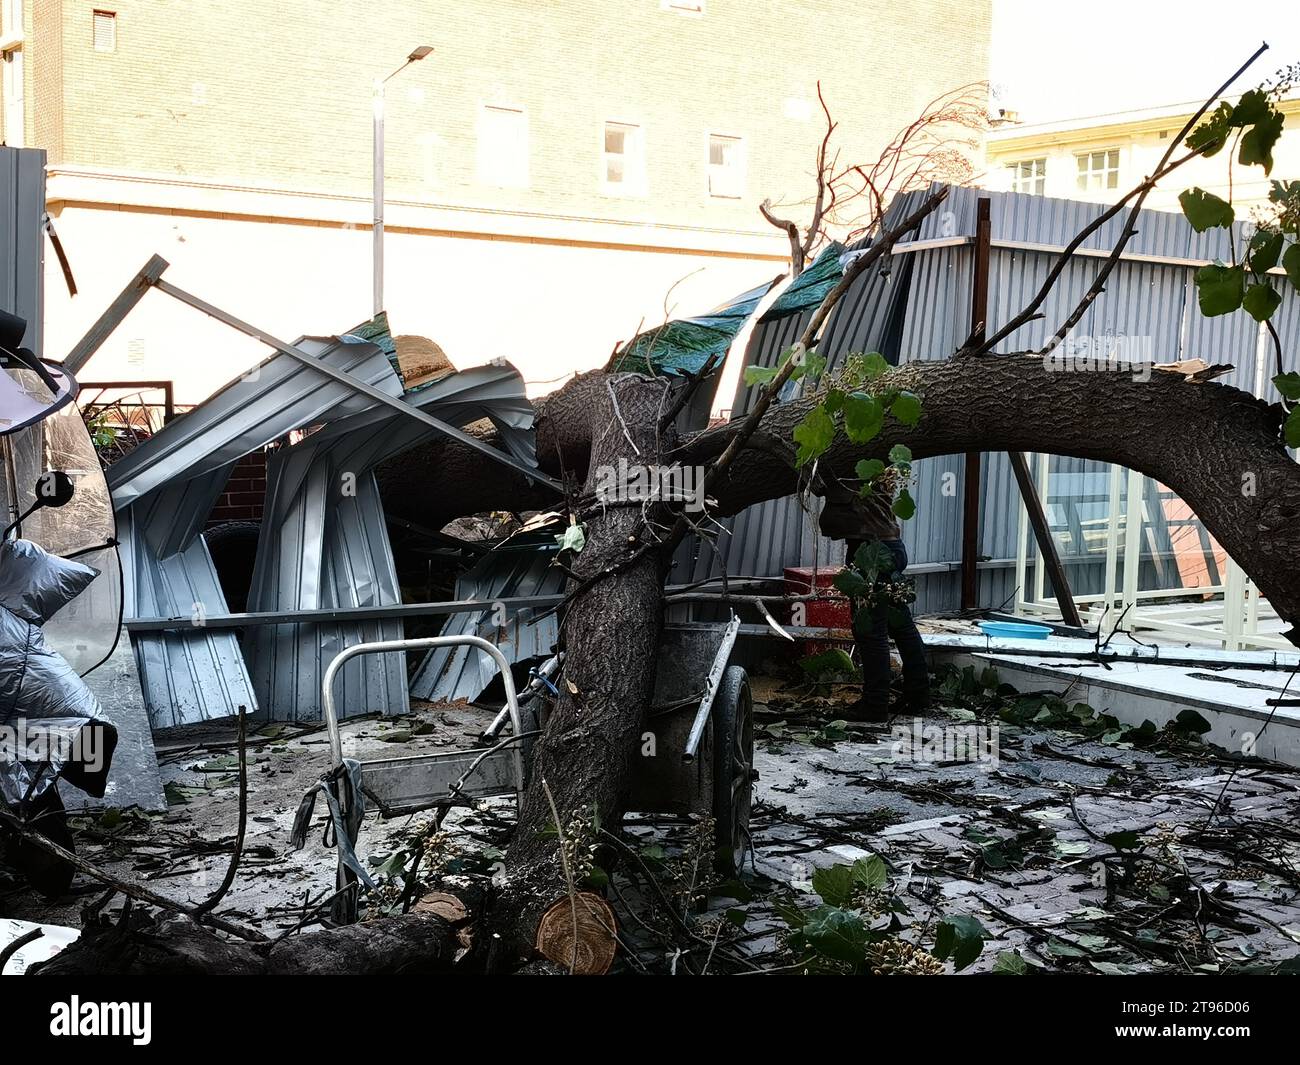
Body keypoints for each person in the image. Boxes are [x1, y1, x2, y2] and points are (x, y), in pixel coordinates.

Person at [817, 474, 931, 722]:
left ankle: (875, 704)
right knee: (901, 626)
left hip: (871, 553)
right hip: (890, 546)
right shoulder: (878, 465)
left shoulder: (853, 464)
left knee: (871, 632)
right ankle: (918, 694)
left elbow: (819, 484)